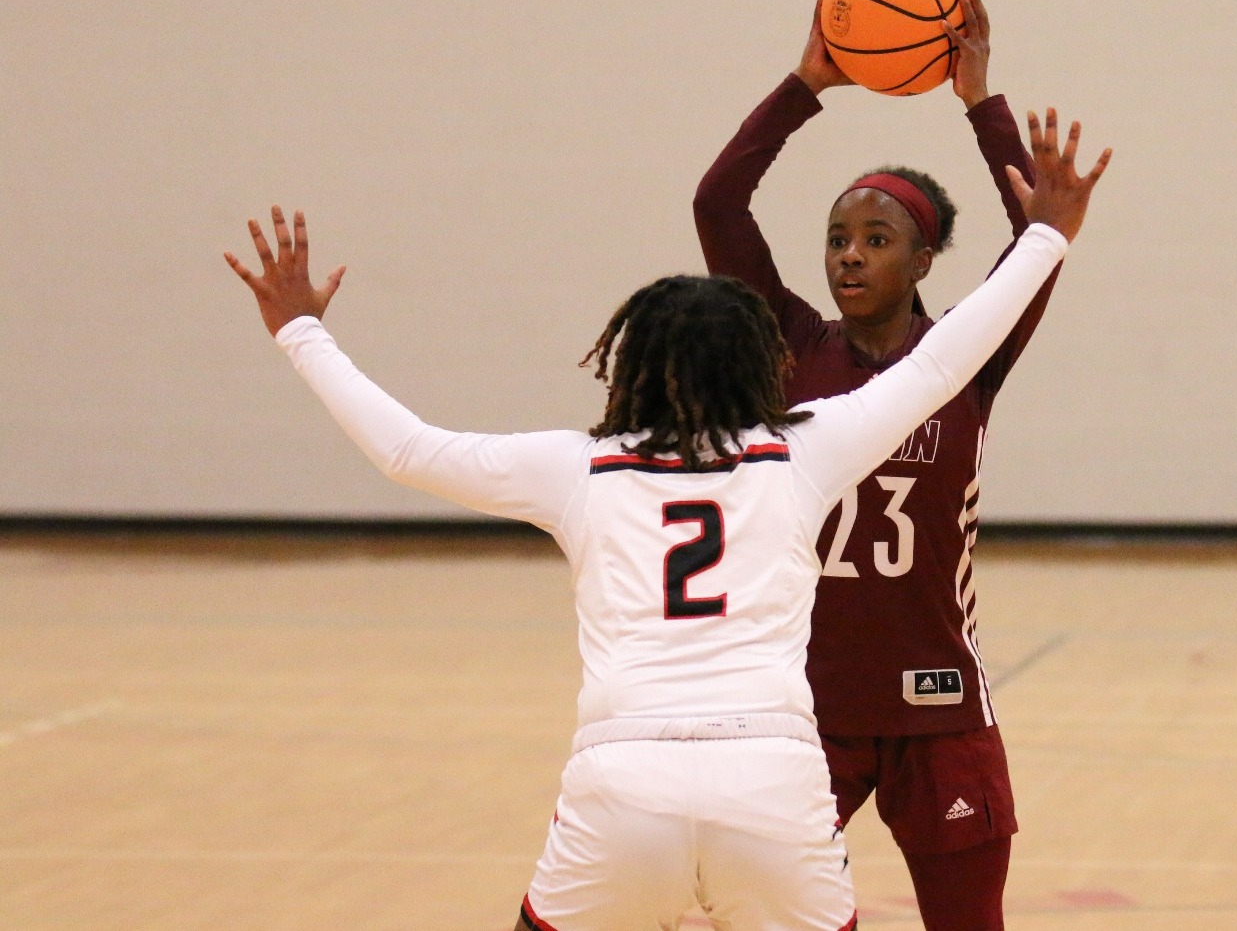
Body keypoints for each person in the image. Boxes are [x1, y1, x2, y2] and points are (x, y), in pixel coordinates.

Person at [221, 114, 1106, 931]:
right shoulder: (804, 449)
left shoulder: (577, 466)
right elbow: (943, 362)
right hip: (775, 772)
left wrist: (302, 333)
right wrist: (1046, 237)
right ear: (766, 361)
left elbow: (409, 450)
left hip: (624, 780)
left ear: (627, 359)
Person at [693, 0, 1103, 930]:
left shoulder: (964, 352)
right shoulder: (789, 341)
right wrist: (806, 85)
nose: (849, 256)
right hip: (806, 708)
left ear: (924, 260)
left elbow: (1038, 240)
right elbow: (718, 202)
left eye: (877, 241)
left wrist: (980, 99)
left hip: (941, 705)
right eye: (838, 238)